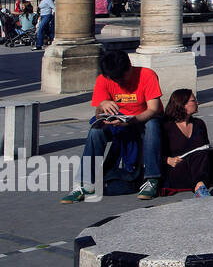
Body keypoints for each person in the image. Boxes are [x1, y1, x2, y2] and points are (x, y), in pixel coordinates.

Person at [61, 50, 165, 202]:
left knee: (152, 125)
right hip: (117, 121)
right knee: (96, 131)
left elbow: (153, 109)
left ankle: (152, 179)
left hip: (142, 119)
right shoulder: (104, 79)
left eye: (121, 78)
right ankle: (85, 182)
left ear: (129, 66)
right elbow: (98, 114)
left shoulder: (147, 75)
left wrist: (132, 120)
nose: (118, 82)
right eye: (114, 79)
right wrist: (102, 105)